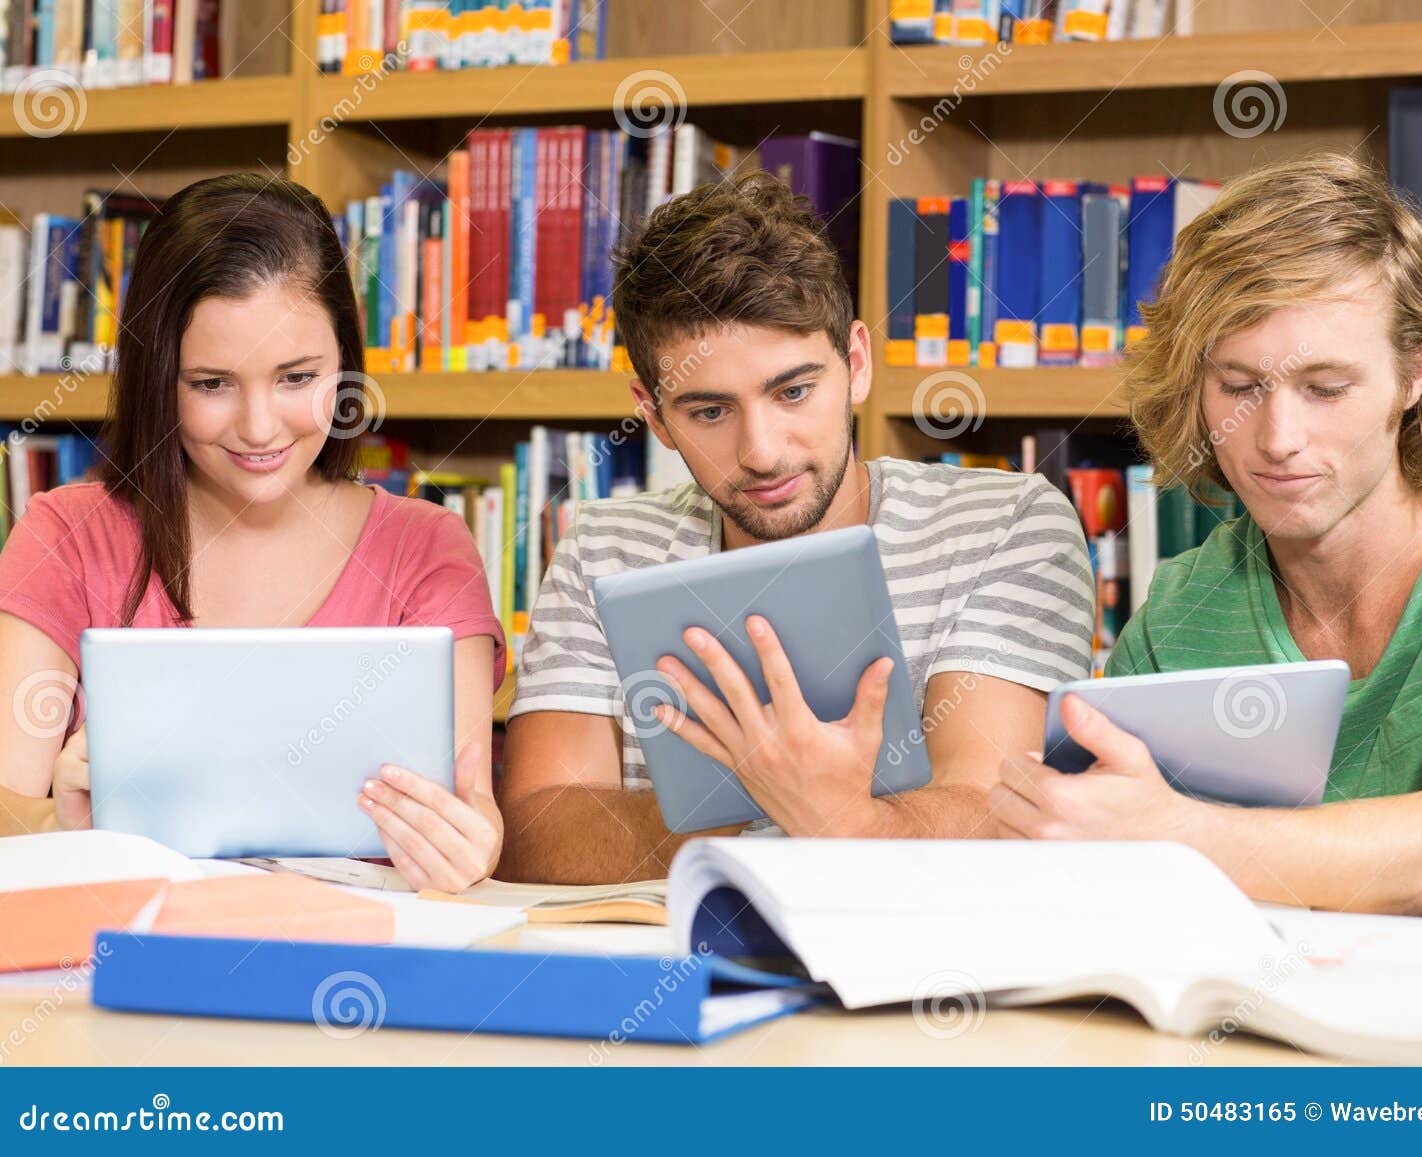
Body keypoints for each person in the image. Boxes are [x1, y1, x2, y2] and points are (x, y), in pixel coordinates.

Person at [991, 153, 1422, 940]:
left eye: (1325, 388)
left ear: (1418, 368)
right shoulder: (1181, 609)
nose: (1277, 439)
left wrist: (1177, 832)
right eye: (1239, 386)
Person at [499, 172, 1095, 884]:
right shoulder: (602, 546)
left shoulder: (1007, 525)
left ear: (858, 363)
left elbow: (997, 822)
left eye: (794, 391)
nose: (762, 451)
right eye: (709, 411)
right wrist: (781, 791)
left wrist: (833, 816)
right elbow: (537, 834)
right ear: (652, 414)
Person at [0, 174, 505, 893]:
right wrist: (60, 828)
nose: (261, 427)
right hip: (128, 958)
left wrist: (470, 845)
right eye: (211, 384)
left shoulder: (427, 550)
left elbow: (470, 801)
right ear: (156, 377)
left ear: (345, 366)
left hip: (363, 957)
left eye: (297, 377)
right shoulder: (68, 536)